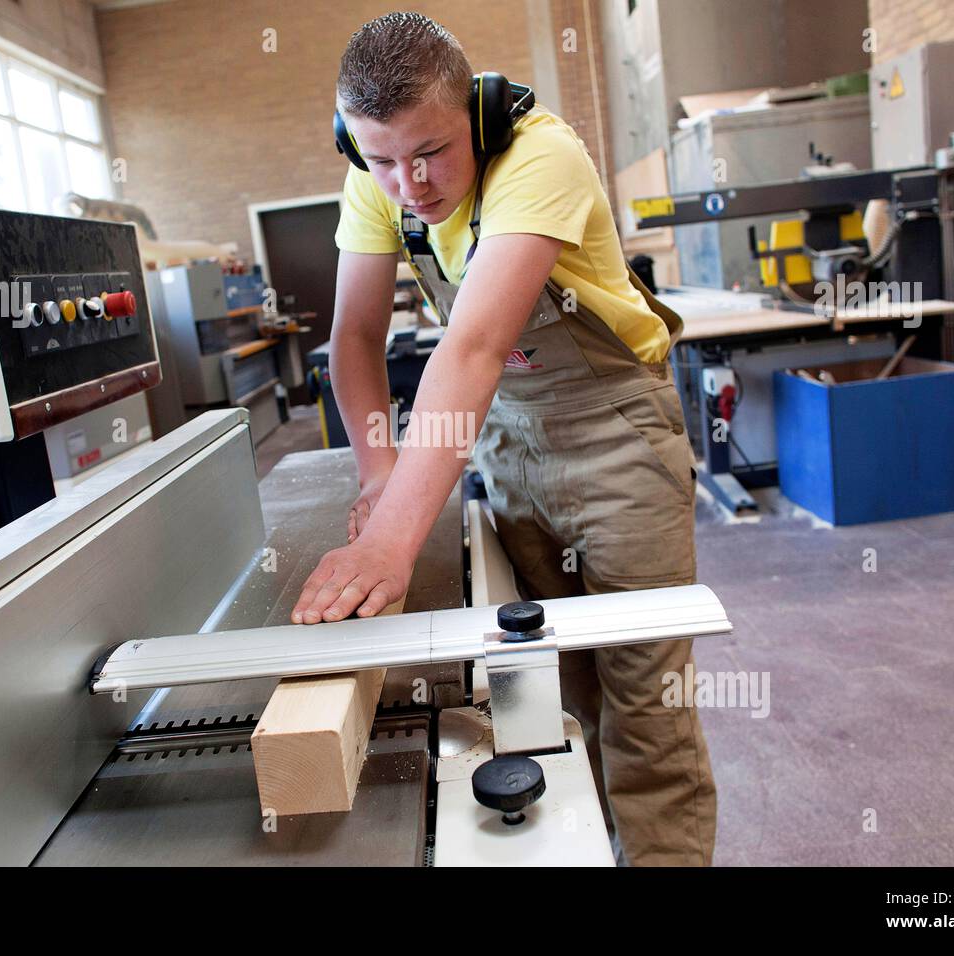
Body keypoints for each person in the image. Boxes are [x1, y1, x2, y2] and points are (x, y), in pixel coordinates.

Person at [291, 11, 715, 865]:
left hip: (618, 443)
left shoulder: (538, 156)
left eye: (430, 153)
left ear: (478, 117)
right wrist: (379, 472)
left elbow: (474, 348)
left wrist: (389, 546)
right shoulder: (375, 182)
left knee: (648, 710)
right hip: (510, 450)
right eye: (379, 160)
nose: (407, 186)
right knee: (563, 695)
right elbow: (354, 339)